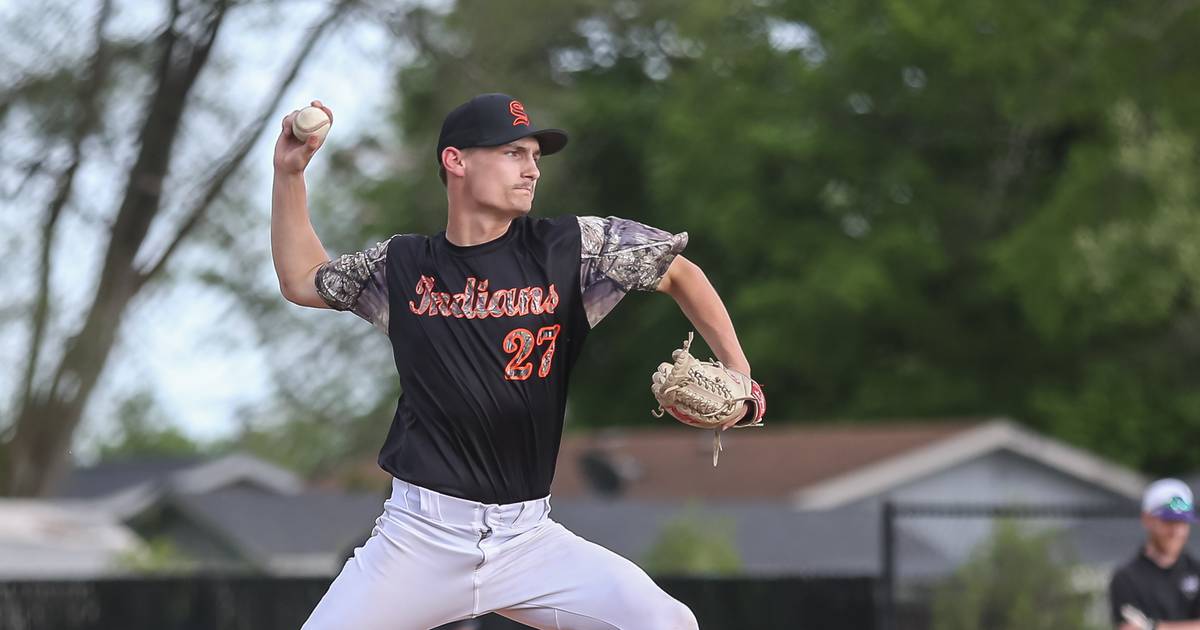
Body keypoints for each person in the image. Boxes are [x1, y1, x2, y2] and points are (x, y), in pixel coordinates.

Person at [271, 93, 765, 630]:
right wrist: (290, 174)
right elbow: (303, 279)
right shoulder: (403, 266)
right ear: (456, 160)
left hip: (528, 541)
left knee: (666, 623)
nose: (532, 169)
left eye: (534, 156)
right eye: (512, 153)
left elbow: (679, 271)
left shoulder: (571, 249)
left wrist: (739, 373)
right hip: (419, 540)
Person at [1110, 478, 1200, 630]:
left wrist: (1155, 627)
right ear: (1147, 519)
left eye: (1182, 522)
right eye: (1169, 521)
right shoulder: (1127, 578)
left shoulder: (1196, 570)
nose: (1176, 531)